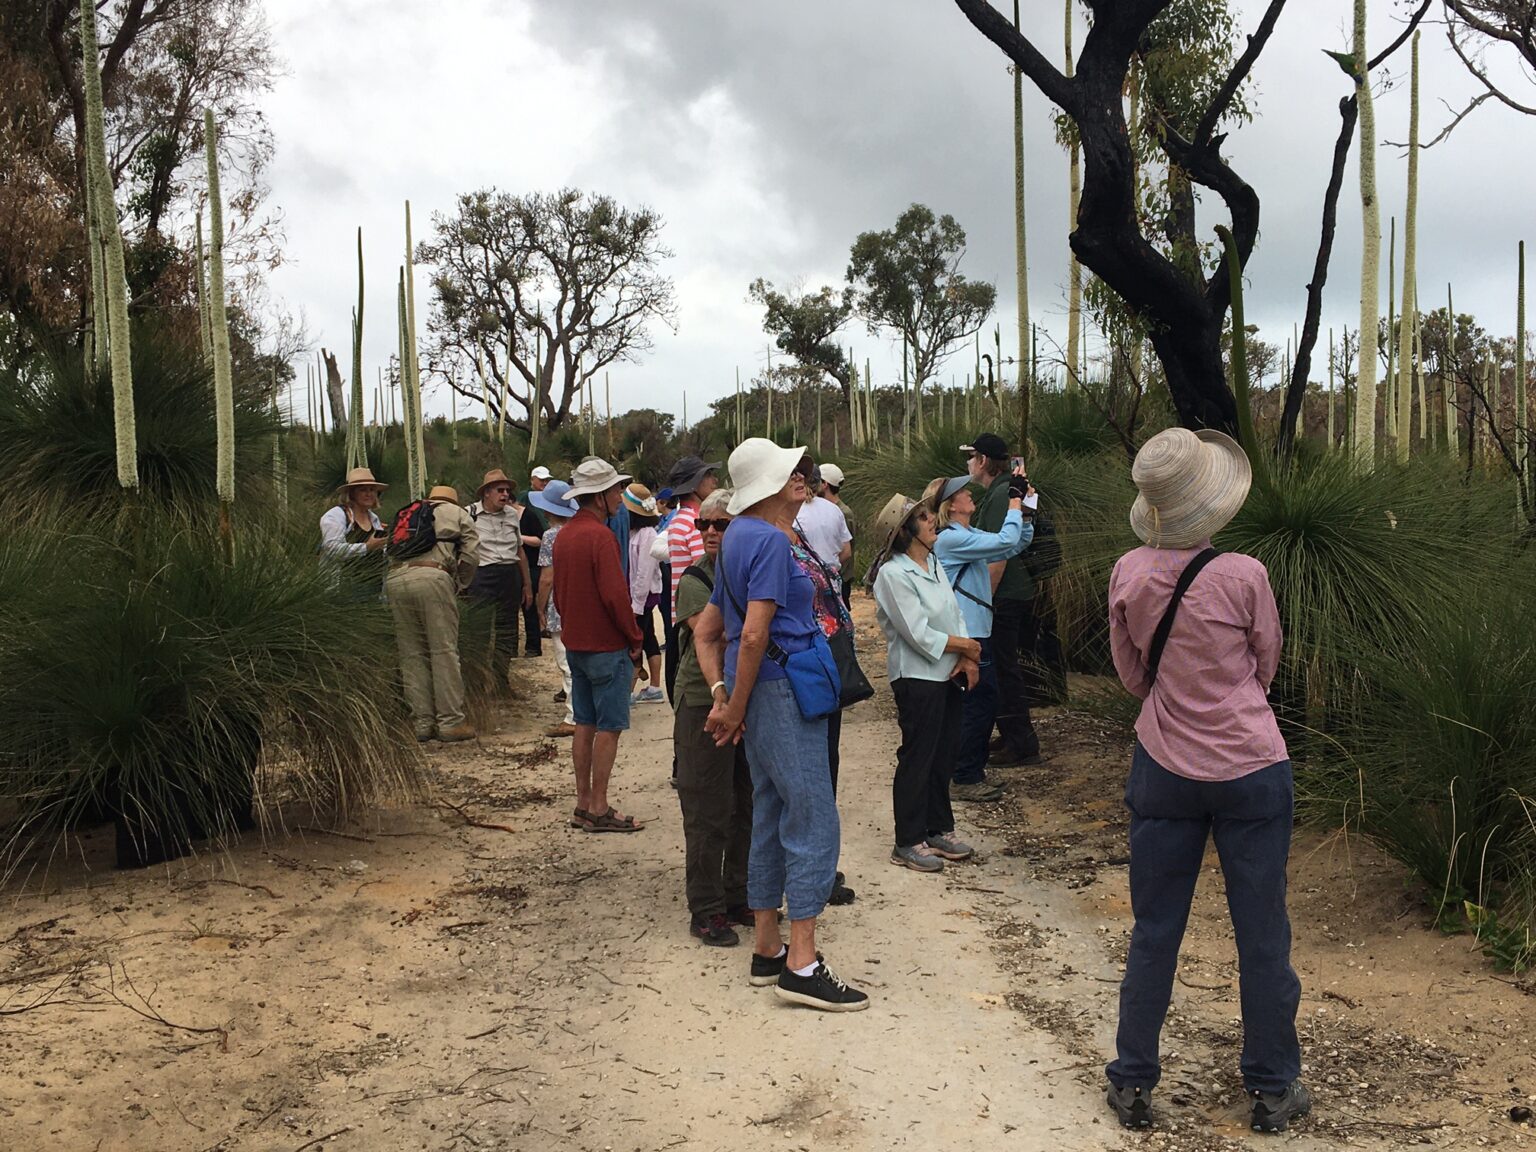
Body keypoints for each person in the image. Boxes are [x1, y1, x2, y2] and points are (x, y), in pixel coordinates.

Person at [1104, 428, 1308, 1134]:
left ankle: (1133, 1080)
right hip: (1251, 766)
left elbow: (1133, 675)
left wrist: (1178, 699)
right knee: (1262, 932)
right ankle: (1272, 1087)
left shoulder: (1128, 573)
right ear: (1212, 502)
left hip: (1163, 765)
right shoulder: (1245, 574)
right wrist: (1230, 701)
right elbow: (1266, 661)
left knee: (1155, 929)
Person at [693, 438, 868, 1012]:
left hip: (762, 692)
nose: (801, 474)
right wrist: (733, 705)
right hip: (784, 689)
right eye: (789, 468)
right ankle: (803, 962)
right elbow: (751, 633)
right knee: (813, 815)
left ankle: (768, 946)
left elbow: (708, 632)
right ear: (768, 482)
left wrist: (724, 696)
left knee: (769, 809)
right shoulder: (769, 540)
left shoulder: (736, 537)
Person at [871, 493, 980, 873]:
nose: (932, 519)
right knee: (918, 756)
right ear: (905, 531)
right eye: (921, 517)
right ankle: (908, 839)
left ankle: (937, 829)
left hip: (947, 672)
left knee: (944, 753)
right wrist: (966, 646)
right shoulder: (893, 574)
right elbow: (917, 633)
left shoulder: (932, 563)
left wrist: (967, 655)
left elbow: (954, 612)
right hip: (917, 676)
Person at [672, 488, 753, 946]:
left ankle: (737, 893)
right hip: (705, 702)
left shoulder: (747, 571)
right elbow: (715, 636)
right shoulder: (696, 579)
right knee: (707, 807)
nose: (709, 532)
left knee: (747, 801)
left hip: (746, 700)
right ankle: (705, 907)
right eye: (704, 524)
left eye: (720, 524)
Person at [927, 471, 1034, 803]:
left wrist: (1026, 511)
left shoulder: (966, 535)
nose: (969, 493)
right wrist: (1014, 501)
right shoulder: (950, 539)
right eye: (962, 492)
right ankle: (965, 776)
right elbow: (1003, 541)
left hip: (975, 629)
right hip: (967, 632)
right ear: (950, 505)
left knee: (979, 701)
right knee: (978, 703)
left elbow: (1013, 543)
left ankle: (968, 770)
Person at [553, 457, 647, 833]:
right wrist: (634, 638)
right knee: (609, 726)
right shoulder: (601, 537)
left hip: (576, 643)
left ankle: (582, 803)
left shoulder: (564, 535)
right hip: (606, 646)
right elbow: (615, 596)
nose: (620, 497)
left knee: (584, 722)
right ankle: (600, 806)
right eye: (616, 491)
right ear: (600, 496)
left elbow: (560, 594)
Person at [786, 505, 857, 906]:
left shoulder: (797, 532)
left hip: (824, 664)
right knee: (812, 774)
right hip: (803, 670)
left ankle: (820, 868)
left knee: (826, 767)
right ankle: (813, 874)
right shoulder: (771, 539)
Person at [962, 433, 1042, 768]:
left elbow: (998, 554)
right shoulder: (1004, 491)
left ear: (983, 461)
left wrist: (985, 601)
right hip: (1010, 594)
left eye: (971, 457)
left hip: (1003, 595)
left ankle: (1021, 743)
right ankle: (1011, 734)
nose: (968, 464)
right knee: (1003, 666)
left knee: (1003, 669)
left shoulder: (1000, 496)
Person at [386, 484, 479, 743]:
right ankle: (450, 722)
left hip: (396, 579)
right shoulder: (457, 513)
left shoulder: (409, 513)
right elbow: (471, 555)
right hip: (433, 577)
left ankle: (422, 723)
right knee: (443, 651)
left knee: (411, 654)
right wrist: (460, 583)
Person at [465, 469, 535, 695]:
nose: (505, 494)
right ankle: (476, 686)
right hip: (482, 574)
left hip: (509, 573)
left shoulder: (512, 515)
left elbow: (520, 551)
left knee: (508, 630)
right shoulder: (469, 514)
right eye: (500, 490)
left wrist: (527, 585)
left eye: (507, 490)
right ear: (487, 492)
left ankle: (501, 683)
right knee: (479, 631)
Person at [663, 455, 722, 701]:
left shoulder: (679, 520)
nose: (714, 480)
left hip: (684, 617)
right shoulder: (696, 524)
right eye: (708, 475)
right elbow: (709, 568)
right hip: (699, 615)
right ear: (694, 484)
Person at [532, 480, 578, 738]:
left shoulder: (551, 536)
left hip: (559, 604)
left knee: (566, 661)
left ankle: (573, 715)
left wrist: (540, 607)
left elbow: (547, 578)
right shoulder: (580, 531)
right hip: (579, 602)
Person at [623, 483, 666, 703]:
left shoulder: (647, 534)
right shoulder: (633, 532)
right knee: (648, 637)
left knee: (636, 639)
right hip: (636, 595)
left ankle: (629, 691)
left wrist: (636, 605)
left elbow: (644, 571)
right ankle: (654, 687)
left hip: (643, 596)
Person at [319, 467, 390, 596]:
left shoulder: (374, 519)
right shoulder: (335, 516)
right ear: (351, 494)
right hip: (343, 591)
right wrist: (366, 547)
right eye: (363, 490)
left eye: (372, 490)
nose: (369, 494)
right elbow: (332, 549)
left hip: (374, 590)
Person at [793, 465, 853, 597]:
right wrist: (828, 567)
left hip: (804, 583)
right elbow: (847, 551)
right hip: (832, 583)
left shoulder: (792, 512)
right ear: (819, 483)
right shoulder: (835, 510)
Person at [520, 465, 553, 656]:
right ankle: (537, 633)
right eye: (541, 479)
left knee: (546, 591)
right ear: (532, 479)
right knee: (533, 594)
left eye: (547, 480)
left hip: (545, 550)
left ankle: (544, 627)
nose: (544, 483)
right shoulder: (526, 497)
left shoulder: (548, 498)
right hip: (532, 554)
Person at [818, 463, 856, 611]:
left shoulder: (843, 513)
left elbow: (847, 550)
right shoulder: (828, 510)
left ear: (825, 484)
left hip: (840, 577)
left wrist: (829, 569)